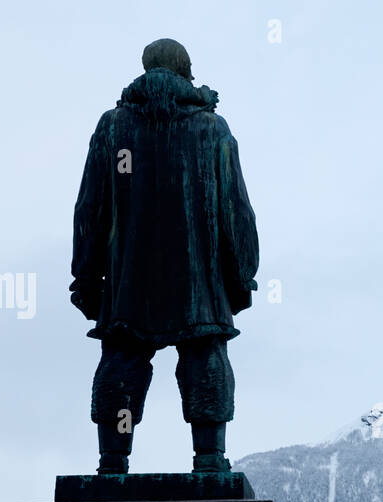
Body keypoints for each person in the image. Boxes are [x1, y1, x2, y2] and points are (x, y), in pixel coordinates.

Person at [70, 38, 259, 474]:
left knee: (123, 358)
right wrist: (241, 275)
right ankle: (209, 457)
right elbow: (236, 211)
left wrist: (85, 277)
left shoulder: (113, 128)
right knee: (205, 356)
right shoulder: (213, 130)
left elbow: (90, 210)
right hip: (199, 281)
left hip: (129, 281)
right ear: (187, 72)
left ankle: (112, 461)